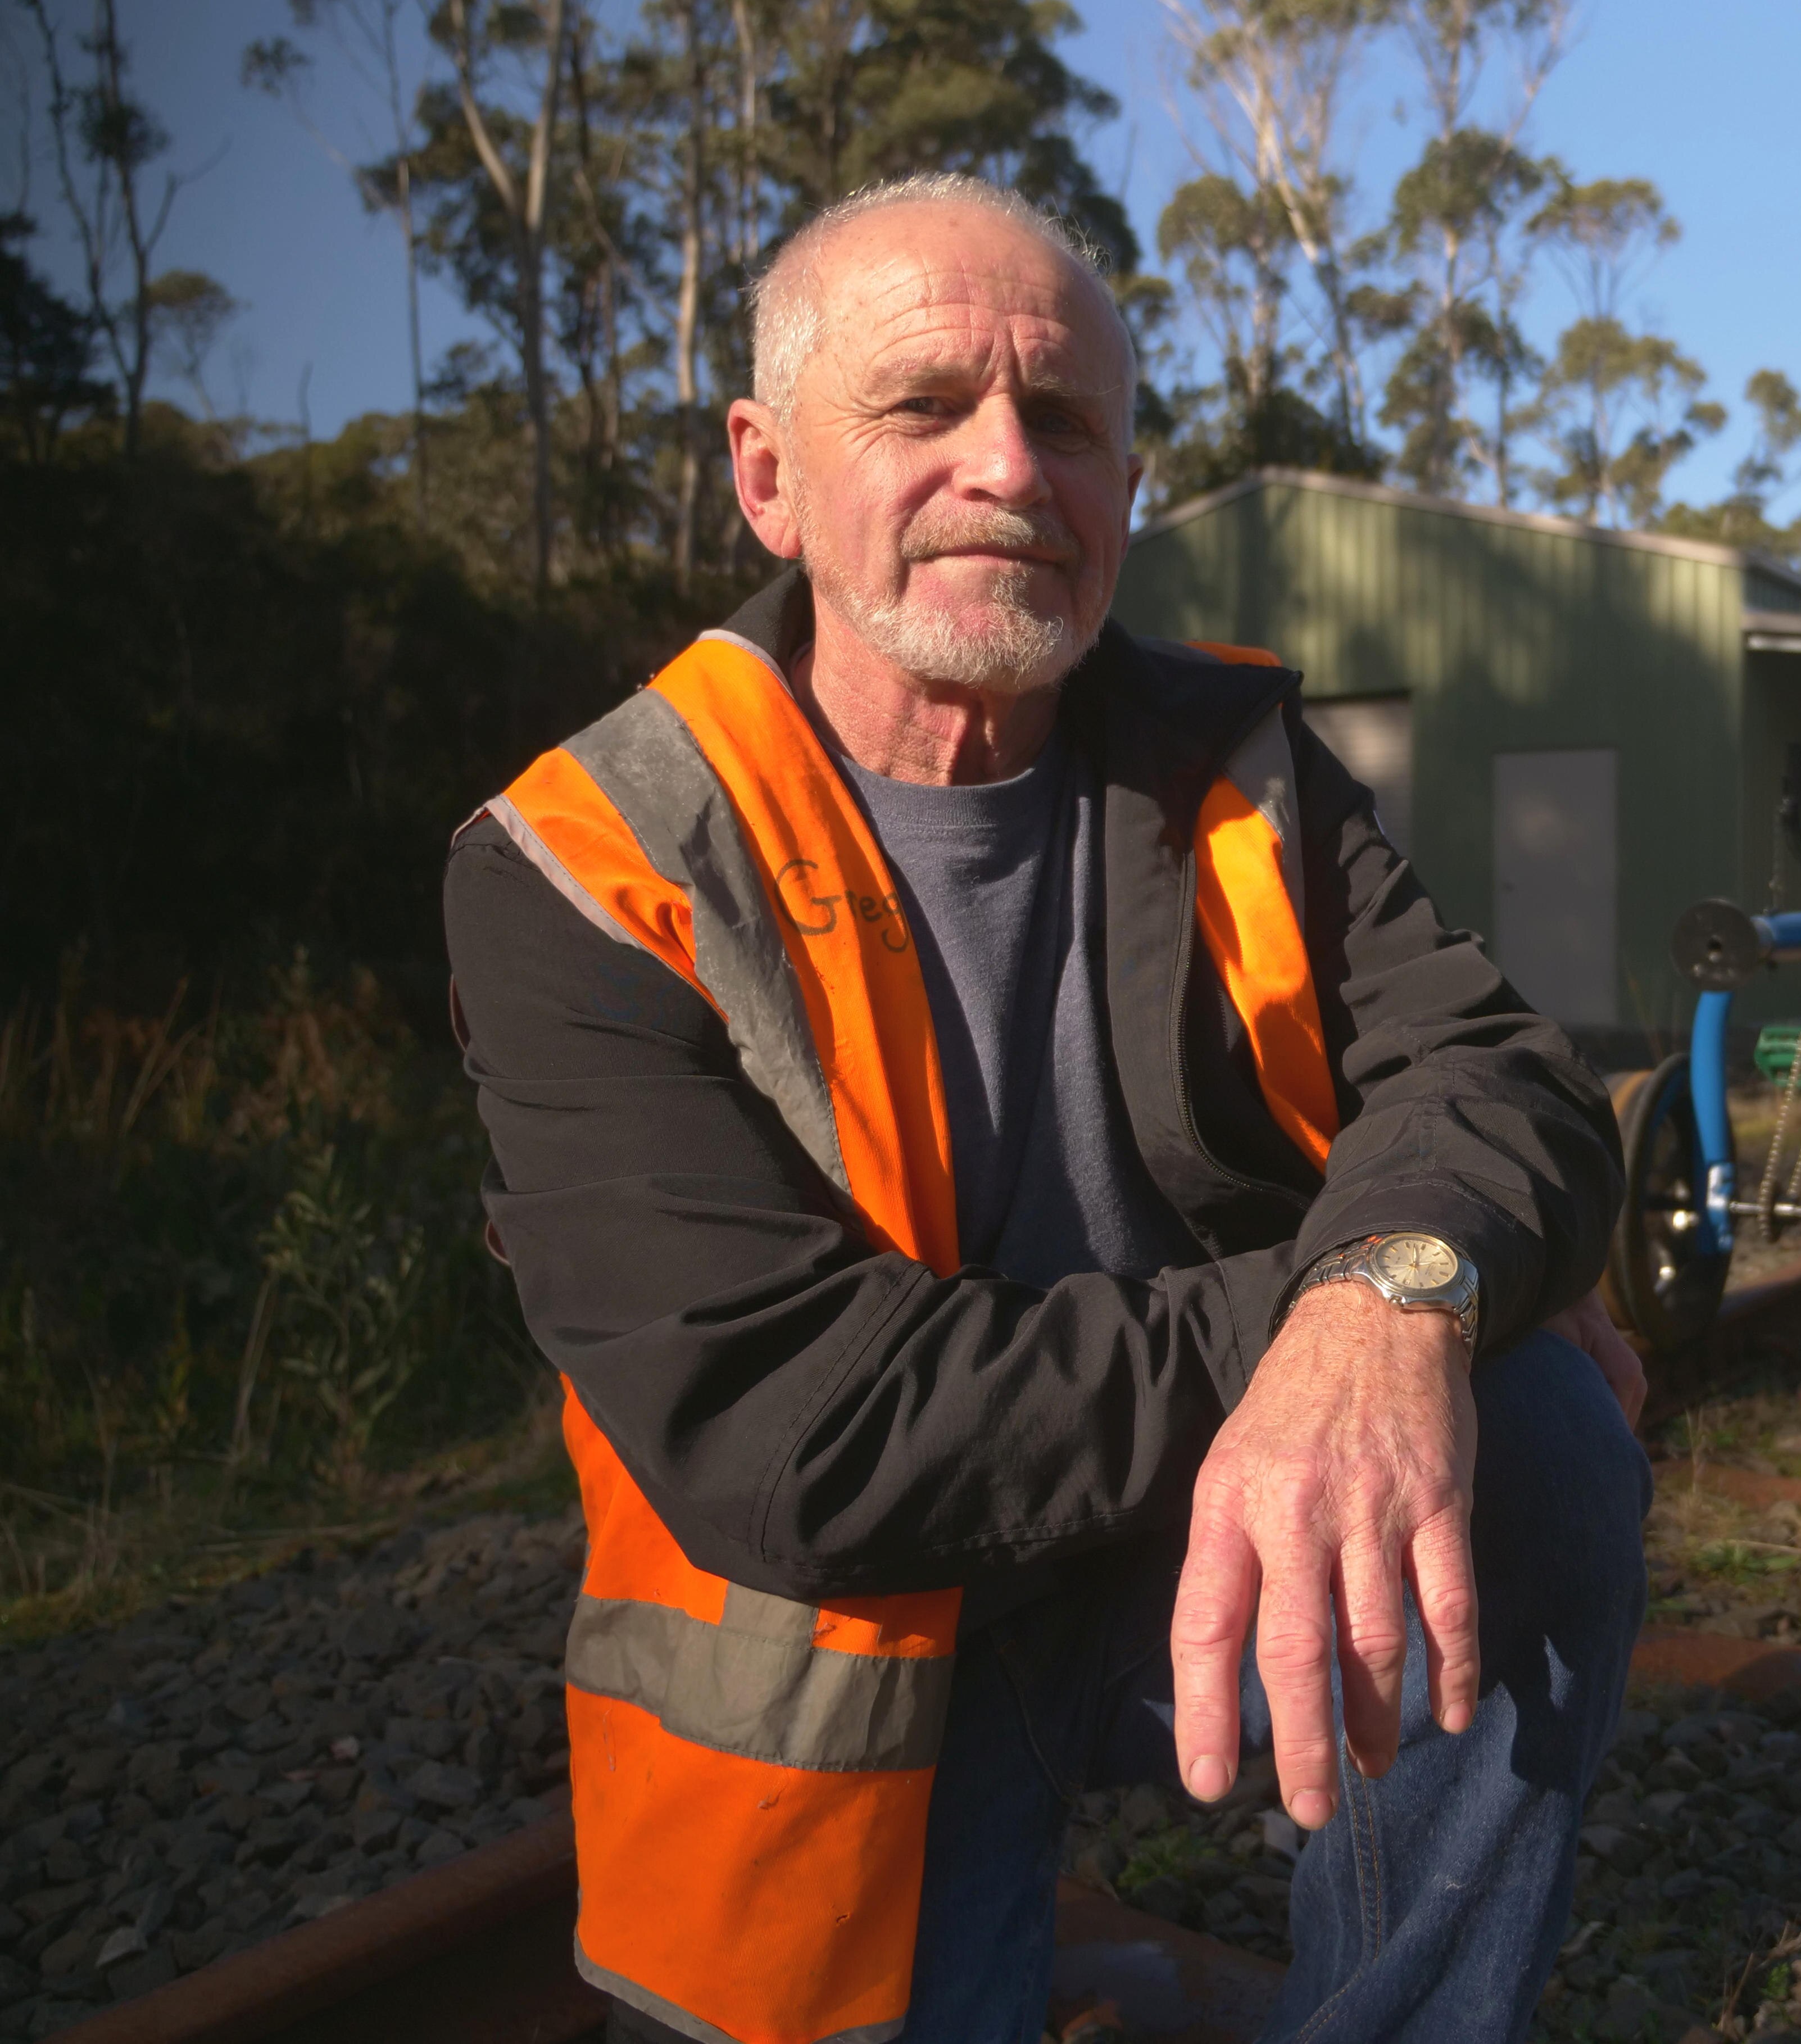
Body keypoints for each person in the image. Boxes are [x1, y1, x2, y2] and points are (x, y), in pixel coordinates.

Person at [442, 170, 1652, 2044]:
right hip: (843, 1648)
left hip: (1192, 1552)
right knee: (1455, 1323)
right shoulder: (589, 863)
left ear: (1127, 487)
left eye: (1067, 421)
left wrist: (1412, 1291)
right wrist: (1367, 1307)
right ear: (767, 475)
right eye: (924, 408)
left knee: (1545, 1433)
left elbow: (1504, 1077)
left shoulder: (1233, 757)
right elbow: (803, 1439)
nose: (1008, 468)